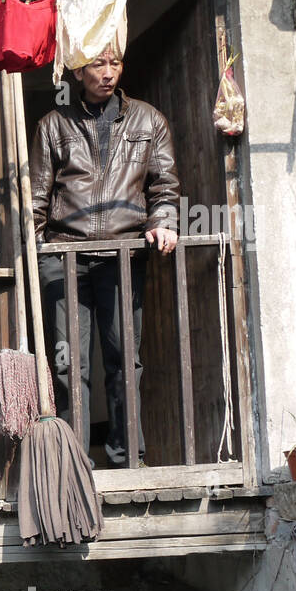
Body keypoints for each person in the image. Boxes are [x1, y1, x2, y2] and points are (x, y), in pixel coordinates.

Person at [28, 46, 180, 467]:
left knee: (123, 360)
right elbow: (37, 195)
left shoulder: (149, 120)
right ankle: (73, 458)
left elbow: (163, 183)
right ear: (78, 71)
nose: (108, 72)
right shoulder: (54, 125)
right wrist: (34, 247)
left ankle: (127, 455)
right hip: (64, 255)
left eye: (115, 63)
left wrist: (163, 221)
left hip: (123, 254)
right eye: (98, 64)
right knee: (67, 362)